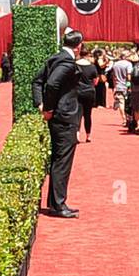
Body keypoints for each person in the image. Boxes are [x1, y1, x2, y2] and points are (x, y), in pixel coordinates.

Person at [33, 29, 85, 217]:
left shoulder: (54, 58)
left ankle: (56, 203)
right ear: (79, 46)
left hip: (59, 116)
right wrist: (48, 109)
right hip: (64, 117)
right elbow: (52, 84)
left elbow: (37, 81)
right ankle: (58, 205)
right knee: (62, 161)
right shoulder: (67, 63)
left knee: (58, 160)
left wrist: (40, 104)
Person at [75, 48, 99, 143]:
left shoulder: (75, 65)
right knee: (88, 115)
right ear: (88, 55)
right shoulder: (92, 67)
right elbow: (96, 81)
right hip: (89, 92)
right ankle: (88, 136)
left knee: (78, 114)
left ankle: (77, 134)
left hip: (78, 92)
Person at [110, 49, 133, 122]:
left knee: (121, 103)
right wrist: (129, 86)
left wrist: (114, 86)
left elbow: (113, 77)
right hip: (126, 86)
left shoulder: (115, 64)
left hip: (118, 85)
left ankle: (124, 119)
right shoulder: (128, 64)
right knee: (128, 103)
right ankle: (128, 117)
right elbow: (128, 76)